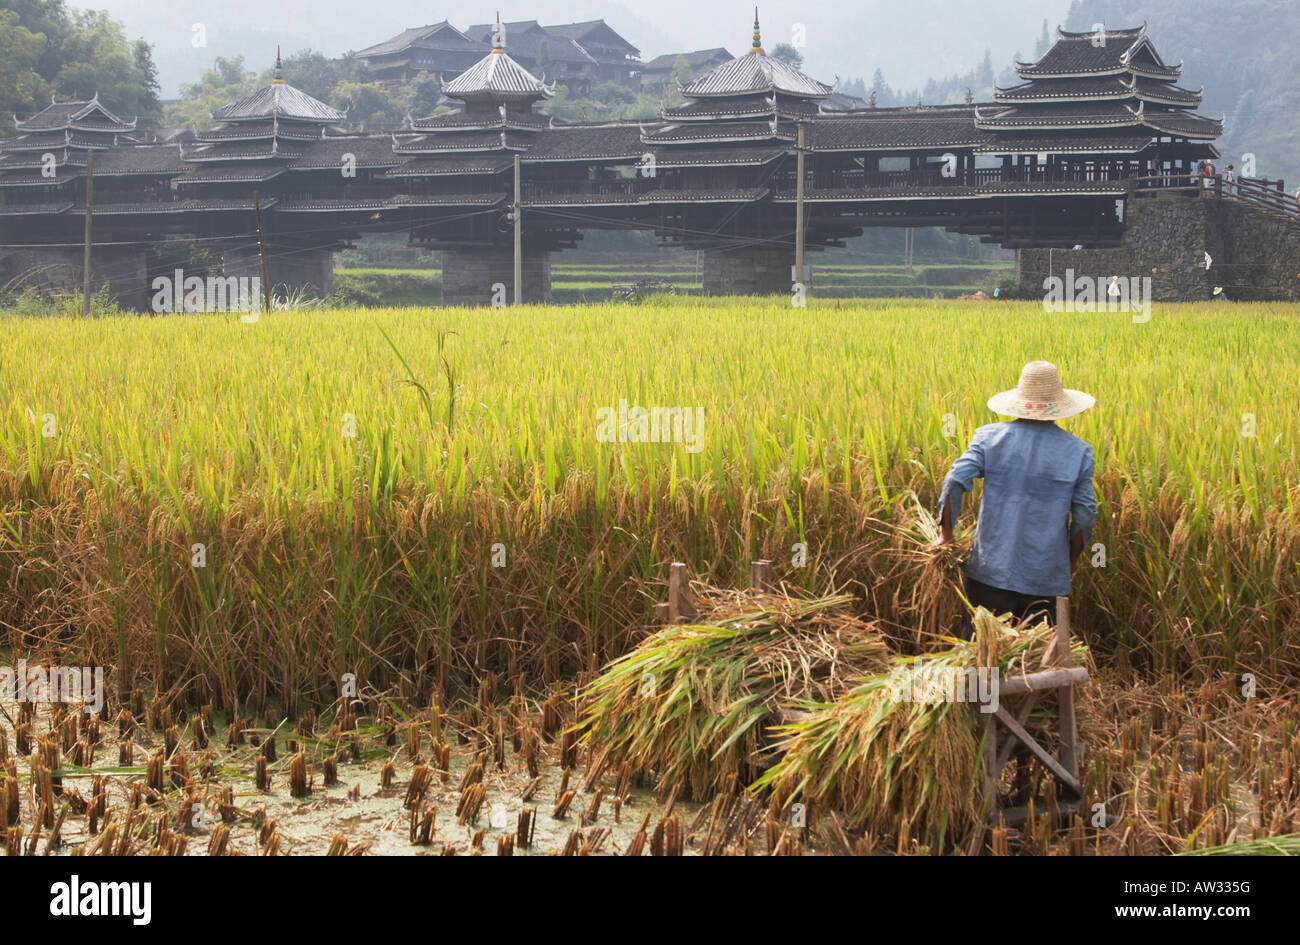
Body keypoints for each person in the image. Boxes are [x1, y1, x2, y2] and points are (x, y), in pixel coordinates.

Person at [935, 361, 1097, 639]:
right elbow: (1085, 516)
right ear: (1057, 405)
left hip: (990, 573)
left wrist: (946, 534)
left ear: (1020, 401)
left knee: (980, 656)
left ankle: (982, 685)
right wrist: (1067, 563)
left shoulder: (988, 438)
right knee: (1036, 664)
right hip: (1046, 579)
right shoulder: (1079, 453)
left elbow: (955, 480)